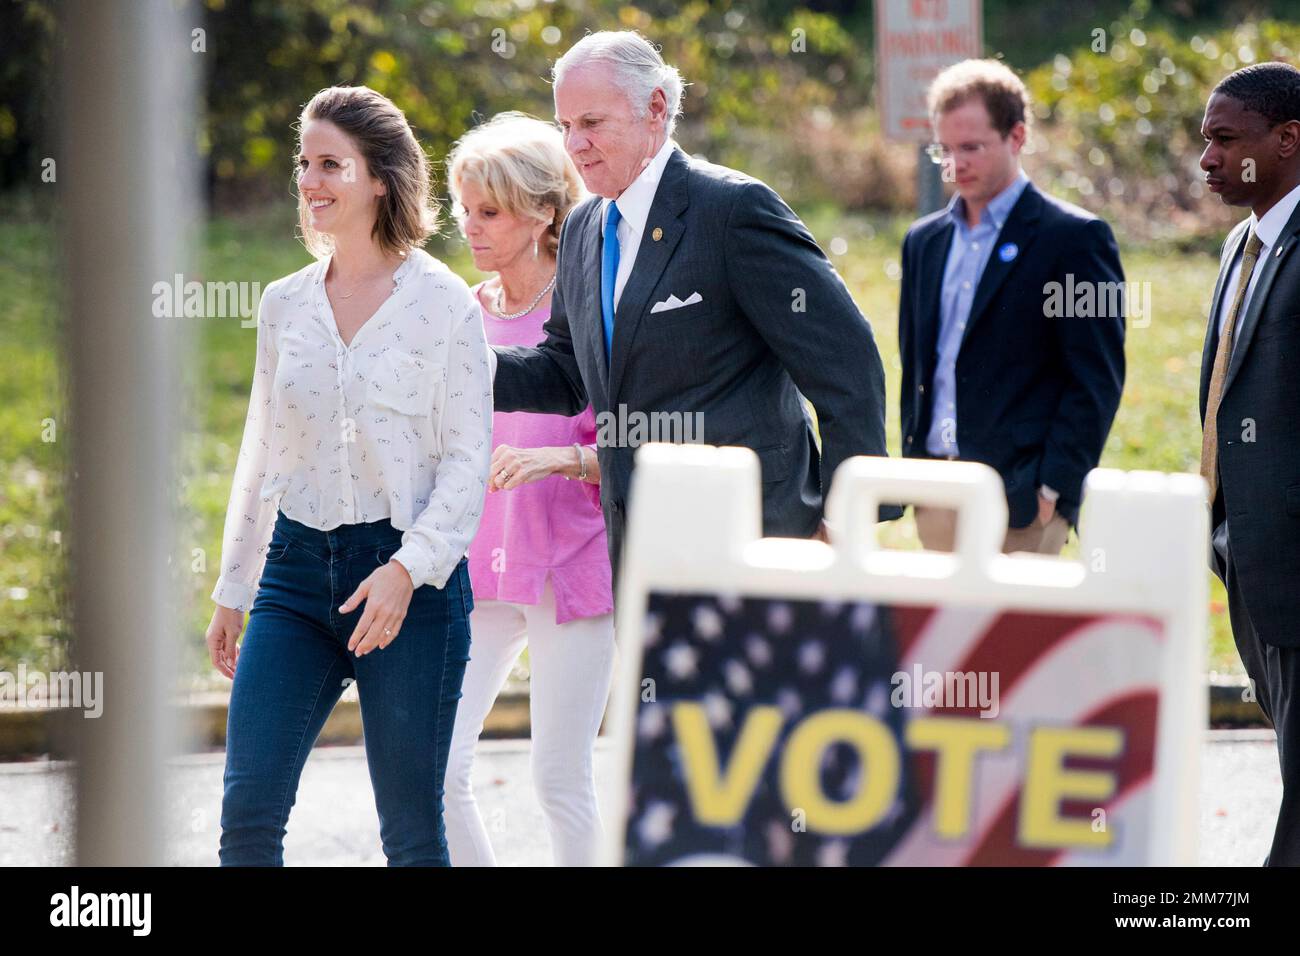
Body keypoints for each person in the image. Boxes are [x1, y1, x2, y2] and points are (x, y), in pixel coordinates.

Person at [204, 85, 493, 866]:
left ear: (381, 178)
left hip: (410, 589)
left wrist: (408, 570)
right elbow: (260, 452)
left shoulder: (444, 305)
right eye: (305, 163)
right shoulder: (282, 304)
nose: (309, 181)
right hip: (294, 581)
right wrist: (234, 589)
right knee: (248, 820)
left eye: (331, 164)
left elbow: (470, 461)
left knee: (411, 836)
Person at [490, 31, 895, 586]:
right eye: (565, 126)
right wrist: (462, 357)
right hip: (639, 547)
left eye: (591, 123)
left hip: (757, 537)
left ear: (655, 107)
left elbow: (845, 363)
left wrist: (845, 521)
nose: (574, 144)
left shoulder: (733, 210)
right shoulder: (584, 227)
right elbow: (565, 371)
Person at [441, 113, 616, 866]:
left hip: (573, 567)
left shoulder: (590, 315)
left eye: (490, 212)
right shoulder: (461, 316)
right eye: (465, 211)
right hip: (482, 569)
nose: (470, 229)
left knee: (558, 780)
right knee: (435, 772)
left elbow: (641, 442)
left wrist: (558, 463)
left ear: (544, 213)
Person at [897, 59, 1125, 553]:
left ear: (1017, 136)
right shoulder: (923, 241)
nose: (956, 165)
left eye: (972, 147)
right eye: (946, 149)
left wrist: (1052, 488)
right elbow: (918, 364)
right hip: (935, 490)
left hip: (1022, 500)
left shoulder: (1076, 239)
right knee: (942, 632)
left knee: (1018, 634)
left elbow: (1096, 377)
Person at [1198, 62, 1300, 866]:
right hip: (1246, 557)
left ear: (1287, 140)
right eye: (1205, 140)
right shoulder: (1242, 242)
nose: (1207, 159)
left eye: (1226, 140)